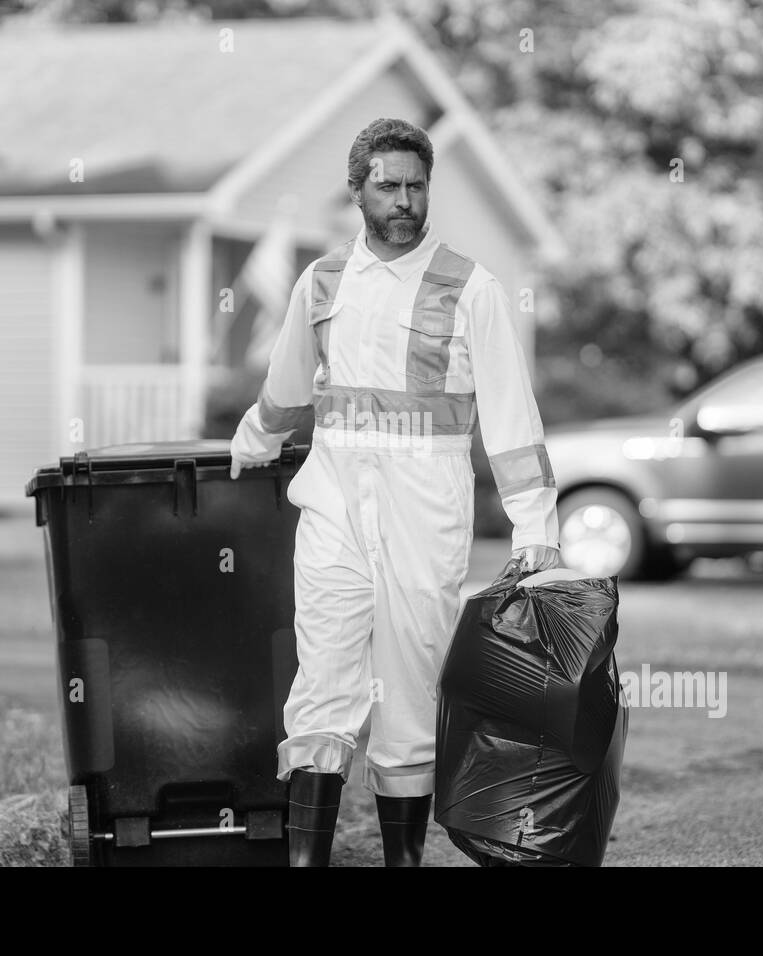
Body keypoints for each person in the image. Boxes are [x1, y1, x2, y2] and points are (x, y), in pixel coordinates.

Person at [230, 117, 560, 866]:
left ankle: (402, 861)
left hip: (426, 513)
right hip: (335, 506)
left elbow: (511, 418)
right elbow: (284, 392)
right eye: (388, 186)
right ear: (358, 192)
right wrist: (251, 442)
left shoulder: (471, 287)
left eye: (416, 186)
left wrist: (534, 524)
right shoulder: (320, 284)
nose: (404, 201)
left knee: (411, 691)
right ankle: (307, 860)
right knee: (323, 682)